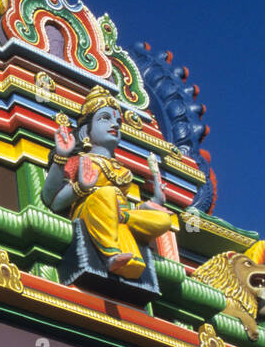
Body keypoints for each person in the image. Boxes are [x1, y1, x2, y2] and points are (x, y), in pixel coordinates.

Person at [41, 88, 173, 280]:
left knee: (164, 220)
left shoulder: (122, 169)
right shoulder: (81, 161)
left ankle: (120, 226)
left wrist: (152, 202)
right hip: (91, 209)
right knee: (107, 193)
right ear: (87, 130)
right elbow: (52, 200)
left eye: (118, 121)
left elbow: (125, 204)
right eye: (105, 118)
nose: (115, 125)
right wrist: (78, 184)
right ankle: (111, 256)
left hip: (120, 215)